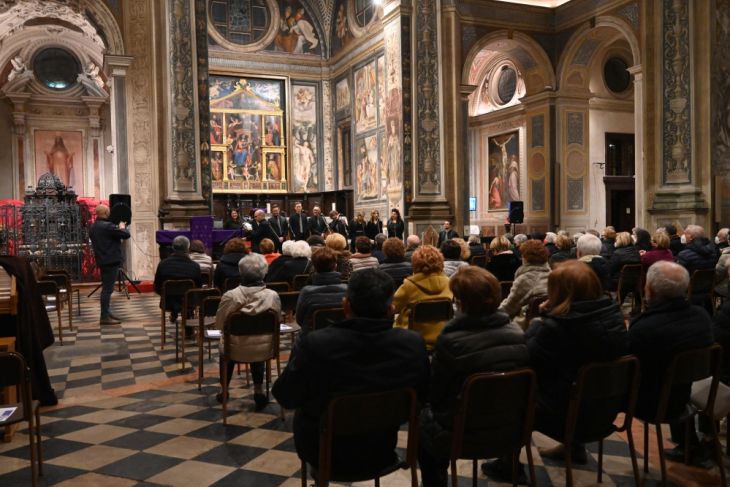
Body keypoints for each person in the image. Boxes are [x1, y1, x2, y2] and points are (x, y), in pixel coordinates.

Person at [272, 269, 429, 477]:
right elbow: (425, 396)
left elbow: (286, 396)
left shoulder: (316, 344)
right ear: (392, 309)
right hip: (382, 448)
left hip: (323, 450)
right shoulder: (413, 343)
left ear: (346, 306)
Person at [483, 260, 627, 482]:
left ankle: (507, 463)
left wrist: (539, 321)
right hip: (606, 408)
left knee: (512, 389)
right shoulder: (615, 318)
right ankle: (575, 448)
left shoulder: (553, 328)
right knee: (577, 377)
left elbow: (524, 361)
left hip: (567, 414)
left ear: (558, 292)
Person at [420, 267, 529, 487]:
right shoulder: (519, 335)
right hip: (511, 428)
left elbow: (438, 395)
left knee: (422, 425)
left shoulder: (451, 341)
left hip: (461, 433)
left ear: (459, 302)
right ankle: (511, 466)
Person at [628, 261, 714, 463]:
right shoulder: (702, 316)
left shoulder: (645, 327)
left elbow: (630, 370)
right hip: (688, 390)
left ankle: (575, 441)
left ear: (648, 289)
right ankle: (690, 444)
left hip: (651, 402)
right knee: (675, 380)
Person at [214, 253, 281, 411]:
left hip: (234, 349)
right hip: (265, 350)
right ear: (264, 273)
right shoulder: (273, 296)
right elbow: (277, 321)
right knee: (258, 340)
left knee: (228, 347)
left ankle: (224, 390)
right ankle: (258, 390)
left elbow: (219, 324)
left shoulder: (230, 296)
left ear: (240, 272)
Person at [392, 245, 453, 347]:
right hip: (441, 336)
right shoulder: (449, 282)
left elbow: (394, 308)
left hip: (412, 340)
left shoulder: (409, 285)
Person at [89, 204, 130, 324]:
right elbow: (126, 234)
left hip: (102, 260)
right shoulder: (108, 226)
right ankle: (104, 317)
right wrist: (122, 226)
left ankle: (107, 312)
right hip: (111, 261)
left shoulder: (94, 227)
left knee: (107, 288)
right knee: (107, 290)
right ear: (106, 213)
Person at [154, 236, 203, 333]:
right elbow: (198, 287)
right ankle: (187, 316)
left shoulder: (163, 264)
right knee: (188, 296)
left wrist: (165, 294)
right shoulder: (194, 266)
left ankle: (175, 310)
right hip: (189, 302)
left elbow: (157, 286)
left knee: (177, 297)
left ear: (173, 247)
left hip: (168, 302)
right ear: (188, 248)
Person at [498, 239, 550, 328]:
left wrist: (490, 314)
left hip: (526, 325)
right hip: (548, 322)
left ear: (525, 258)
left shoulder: (525, 279)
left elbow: (508, 308)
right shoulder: (552, 275)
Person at [295, 247, 347, 330]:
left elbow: (300, 320)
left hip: (313, 336)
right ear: (335, 266)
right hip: (343, 335)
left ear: (314, 268)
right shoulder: (347, 290)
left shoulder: (306, 292)